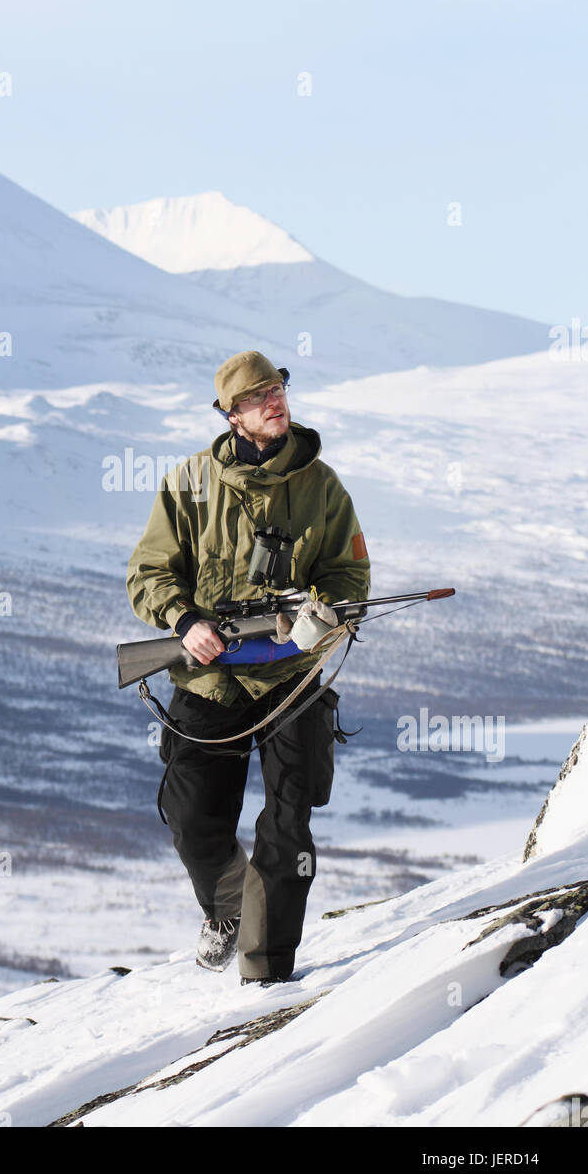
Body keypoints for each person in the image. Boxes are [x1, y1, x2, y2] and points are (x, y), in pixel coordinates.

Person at [126, 350, 370, 984]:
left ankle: (266, 974)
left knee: (288, 827)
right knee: (189, 815)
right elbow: (147, 574)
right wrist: (185, 623)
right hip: (210, 679)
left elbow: (348, 575)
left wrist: (329, 614)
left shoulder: (321, 486)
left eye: (279, 388)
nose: (275, 400)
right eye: (258, 396)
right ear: (233, 417)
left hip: (292, 678)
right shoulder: (189, 482)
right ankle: (229, 909)